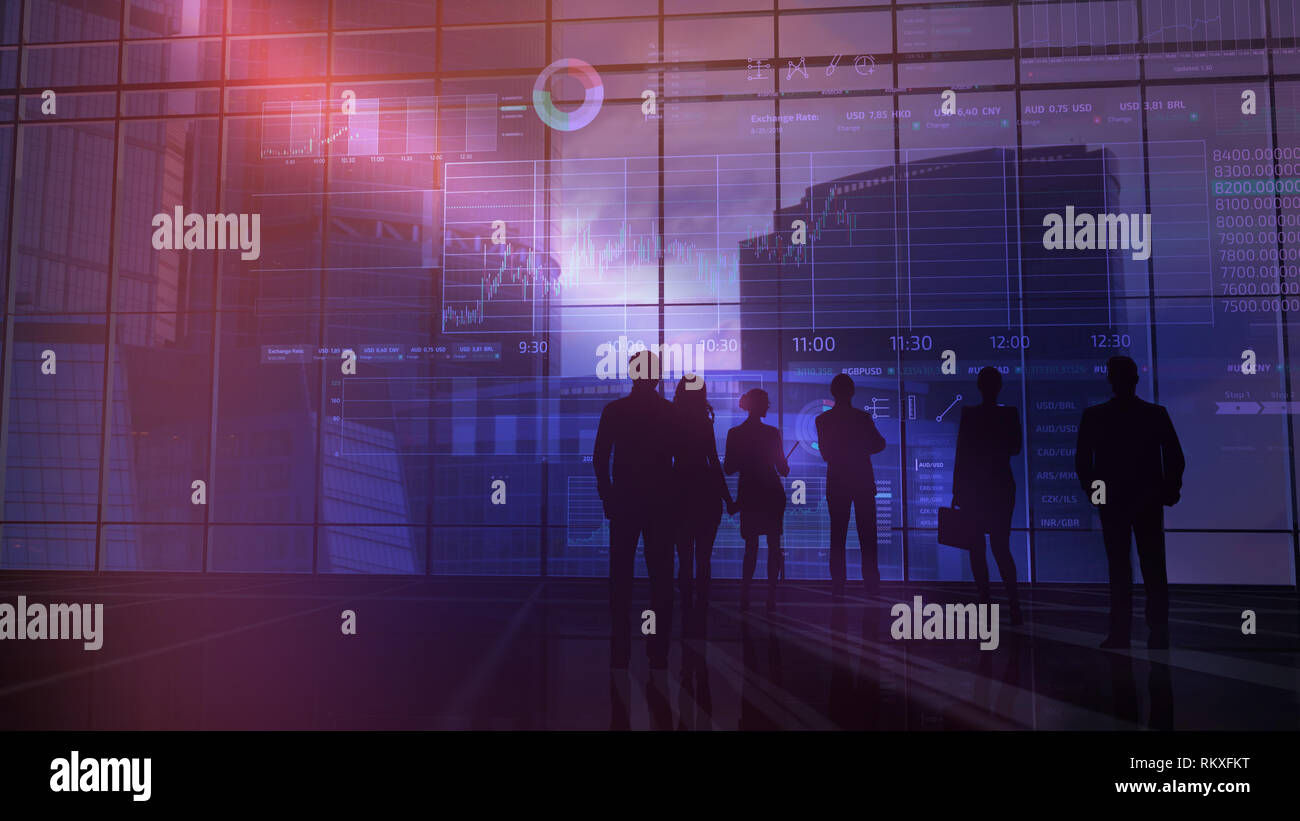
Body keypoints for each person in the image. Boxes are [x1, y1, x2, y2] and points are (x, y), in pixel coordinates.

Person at [1075, 355, 1185, 650]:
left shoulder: (1095, 416)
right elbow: (1175, 456)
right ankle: (1158, 630)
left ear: (1111, 380)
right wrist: (1168, 491)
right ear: (1135, 379)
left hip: (1114, 502)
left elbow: (1083, 463)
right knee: (1153, 566)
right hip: (1147, 500)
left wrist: (1096, 494)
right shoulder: (1155, 414)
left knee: (1119, 568)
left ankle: (1121, 632)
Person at [593, 350, 678, 668]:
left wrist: (608, 497)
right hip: (660, 501)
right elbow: (679, 459)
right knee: (661, 576)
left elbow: (601, 458)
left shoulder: (615, 411)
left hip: (626, 500)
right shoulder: (669, 413)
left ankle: (621, 642)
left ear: (632, 374)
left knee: (621, 574)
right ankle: (658, 646)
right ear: (655, 376)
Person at [952, 366, 1023, 624]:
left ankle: (985, 601)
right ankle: (1013, 603)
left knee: (977, 548)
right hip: (1001, 486)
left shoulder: (970, 414)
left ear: (979, 386)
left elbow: (962, 454)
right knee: (1000, 546)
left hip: (974, 488)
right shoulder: (1009, 414)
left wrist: (957, 490)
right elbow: (1015, 448)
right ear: (999, 386)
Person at [671, 375, 735, 627]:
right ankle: (701, 606)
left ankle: (687, 604)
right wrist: (728, 498)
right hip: (705, 491)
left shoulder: (672, 422)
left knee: (684, 556)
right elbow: (714, 462)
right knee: (704, 557)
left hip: (679, 490)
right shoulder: (704, 423)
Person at [815, 374, 887, 596]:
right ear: (852, 391)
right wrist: (860, 449)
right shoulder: (862, 418)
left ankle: (838, 583)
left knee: (837, 534)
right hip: (862, 480)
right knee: (868, 533)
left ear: (832, 392)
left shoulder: (823, 420)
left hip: (837, 481)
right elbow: (880, 444)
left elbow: (826, 453)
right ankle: (871, 581)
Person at [724, 388, 789, 610]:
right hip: (771, 493)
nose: (768, 406)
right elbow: (783, 469)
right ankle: (771, 595)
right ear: (760, 405)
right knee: (773, 545)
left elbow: (729, 468)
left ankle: (745, 593)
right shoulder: (772, 433)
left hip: (749, 494)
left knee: (750, 547)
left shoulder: (735, 433)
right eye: (766, 402)